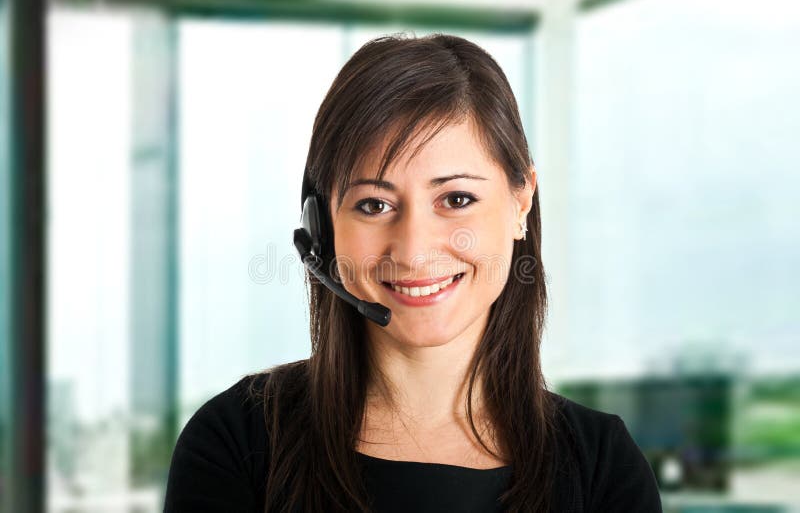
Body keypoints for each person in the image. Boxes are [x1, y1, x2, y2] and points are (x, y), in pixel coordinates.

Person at [164, 33, 662, 513]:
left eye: (456, 199)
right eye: (374, 204)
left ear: (520, 202)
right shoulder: (237, 444)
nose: (414, 251)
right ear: (322, 229)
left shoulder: (603, 467)